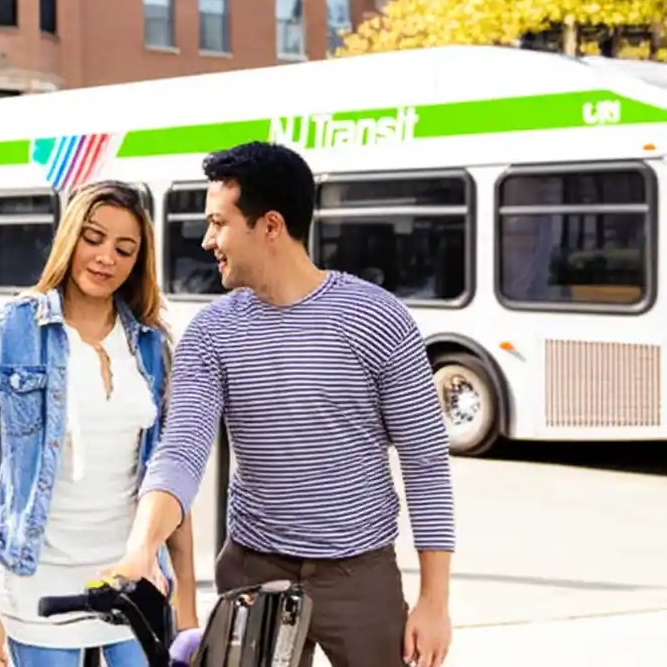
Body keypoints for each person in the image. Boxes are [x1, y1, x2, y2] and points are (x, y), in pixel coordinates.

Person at [105, 142, 457, 667]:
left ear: (270, 226)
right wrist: (141, 546)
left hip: (359, 576)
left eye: (219, 223)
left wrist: (434, 601)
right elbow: (181, 452)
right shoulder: (211, 333)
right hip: (252, 570)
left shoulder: (379, 321)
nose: (207, 241)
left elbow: (426, 463)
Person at [0, 181, 198, 667]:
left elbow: (169, 477)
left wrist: (186, 610)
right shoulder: (9, 331)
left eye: (125, 249)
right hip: (39, 585)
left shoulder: (151, 344)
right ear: (70, 238)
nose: (107, 258)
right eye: (94, 238)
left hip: (134, 579)